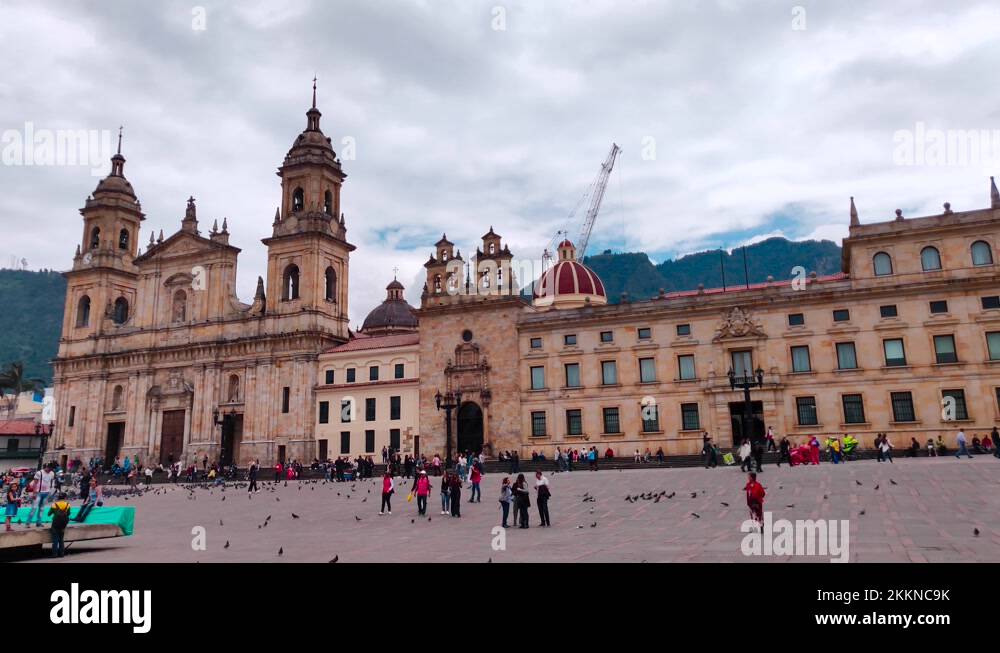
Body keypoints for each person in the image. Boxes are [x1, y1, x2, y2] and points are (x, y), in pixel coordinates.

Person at [26, 463, 56, 528]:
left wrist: (50, 491)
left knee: (42, 508)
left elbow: (51, 482)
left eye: (51, 469)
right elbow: (35, 483)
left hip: (46, 493)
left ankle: (39, 523)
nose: (50, 470)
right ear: (47, 467)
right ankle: (28, 523)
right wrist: (34, 493)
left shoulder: (52, 473)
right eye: (49, 469)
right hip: (38, 493)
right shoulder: (39, 473)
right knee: (34, 508)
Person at [48, 492, 72, 558]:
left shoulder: (54, 504)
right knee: (61, 539)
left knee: (55, 539)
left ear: (58, 497)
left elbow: (49, 513)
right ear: (65, 497)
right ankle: (61, 554)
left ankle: (54, 554)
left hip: (55, 523)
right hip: (63, 524)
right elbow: (68, 513)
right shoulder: (68, 504)